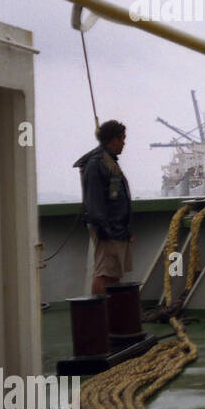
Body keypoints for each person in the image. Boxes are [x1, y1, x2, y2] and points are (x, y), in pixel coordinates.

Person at [74, 120, 133, 296]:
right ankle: (101, 316)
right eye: (122, 139)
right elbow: (94, 201)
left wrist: (125, 230)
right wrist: (105, 230)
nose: (124, 143)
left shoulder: (107, 162)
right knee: (104, 275)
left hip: (116, 228)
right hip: (108, 229)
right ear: (113, 140)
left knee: (113, 275)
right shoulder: (96, 164)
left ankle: (111, 316)